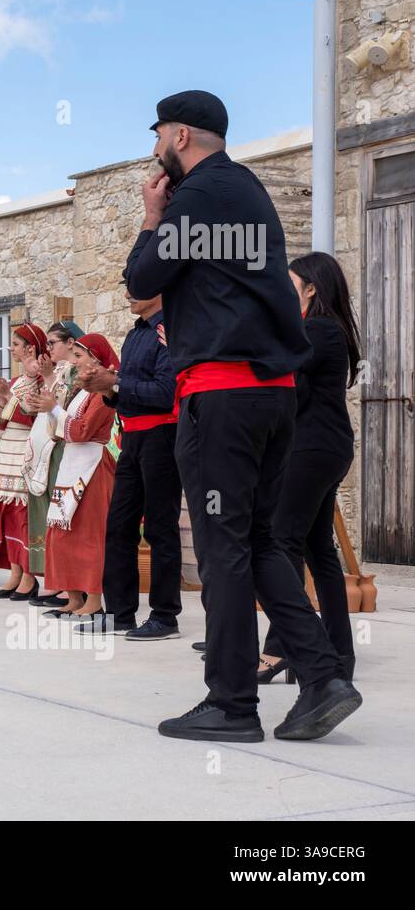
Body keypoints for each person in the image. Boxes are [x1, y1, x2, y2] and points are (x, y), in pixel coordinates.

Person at [125, 89, 359, 742]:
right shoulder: (249, 192)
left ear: (178, 134)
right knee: (255, 540)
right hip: (271, 396)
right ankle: (322, 676)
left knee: (225, 547)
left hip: (222, 396)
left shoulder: (196, 197)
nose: (154, 151)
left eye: (157, 138)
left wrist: (151, 215)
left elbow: (142, 279)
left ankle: (232, 703)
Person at [258, 252, 361, 684]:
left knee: (281, 543)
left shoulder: (316, 330)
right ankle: (338, 654)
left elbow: (281, 378)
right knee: (317, 549)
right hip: (324, 447)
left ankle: (283, 648)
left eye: (291, 281)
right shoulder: (325, 330)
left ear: (311, 287)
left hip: (312, 448)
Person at [80, 290, 184, 640]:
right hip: (134, 439)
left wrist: (116, 383)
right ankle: (121, 612)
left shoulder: (169, 329)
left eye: (135, 286)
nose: (127, 293)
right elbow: (125, 392)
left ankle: (165, 615)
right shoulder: (136, 332)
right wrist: (107, 389)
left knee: (160, 528)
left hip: (162, 437)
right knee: (119, 526)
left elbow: (168, 392)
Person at [32, 334, 120, 621]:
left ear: (96, 359)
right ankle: (72, 595)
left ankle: (94, 598)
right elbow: (64, 427)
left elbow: (82, 430)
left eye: (80, 356)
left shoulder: (101, 393)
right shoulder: (82, 391)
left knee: (88, 534)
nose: (75, 361)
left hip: (92, 466)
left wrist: (53, 409)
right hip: (73, 462)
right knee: (62, 531)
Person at [0, 323, 46, 599]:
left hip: (24, 445)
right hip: (8, 445)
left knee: (23, 514)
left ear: (30, 347)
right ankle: (15, 572)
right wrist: (2, 396)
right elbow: (4, 417)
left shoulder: (40, 379)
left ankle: (29, 575)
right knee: (7, 511)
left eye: (17, 344)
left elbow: (34, 417)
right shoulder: (19, 379)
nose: (12, 348)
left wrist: (7, 396)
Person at [24, 320, 82, 606]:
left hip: (64, 445)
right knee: (43, 510)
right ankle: (50, 575)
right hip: (46, 444)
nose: (47, 349)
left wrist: (47, 380)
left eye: (52, 343)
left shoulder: (76, 371)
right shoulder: (57, 371)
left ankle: (65, 580)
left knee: (60, 511)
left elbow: (65, 406)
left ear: (70, 343)